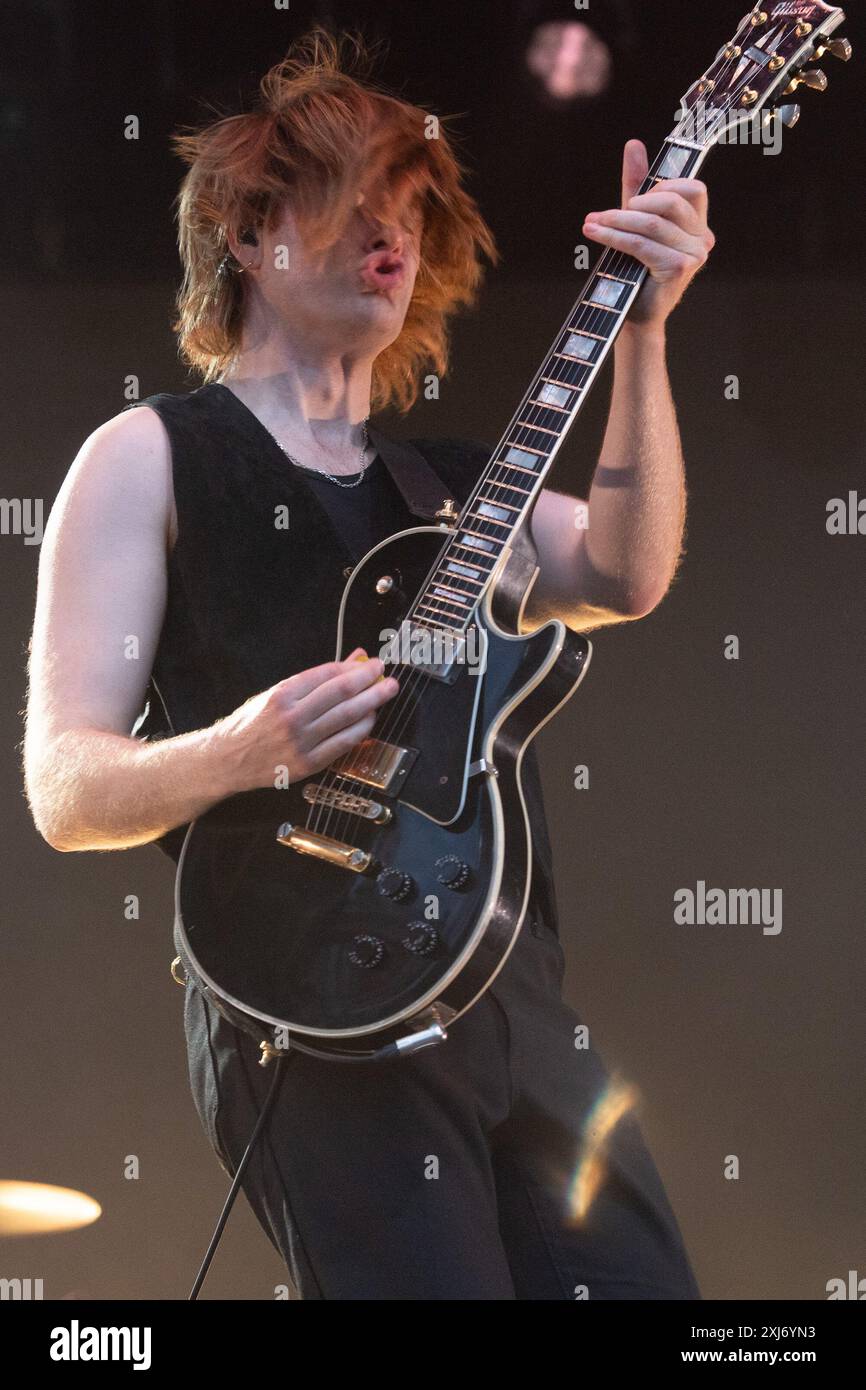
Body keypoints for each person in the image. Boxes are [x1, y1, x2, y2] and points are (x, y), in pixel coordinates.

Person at [23, 30, 714, 1299]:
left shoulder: (453, 485)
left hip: (511, 991)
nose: (390, 233)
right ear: (248, 234)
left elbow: (625, 574)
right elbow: (65, 790)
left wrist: (647, 333)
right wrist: (243, 750)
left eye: (411, 210)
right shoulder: (149, 453)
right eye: (352, 202)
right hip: (315, 996)